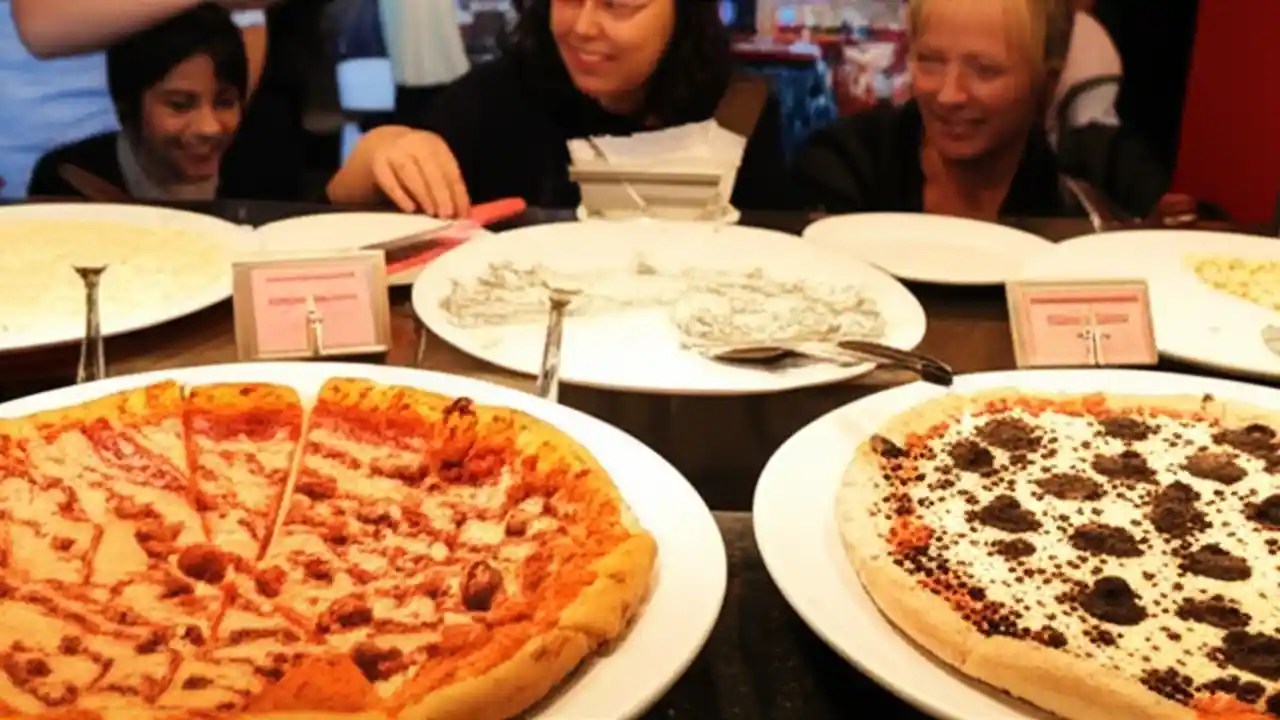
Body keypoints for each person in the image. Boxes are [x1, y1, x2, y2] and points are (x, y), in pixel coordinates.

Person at [327, 0, 792, 217]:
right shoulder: (504, 93)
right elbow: (343, 195)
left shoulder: (737, 110)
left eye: (618, 5)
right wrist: (382, 150)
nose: (584, 27)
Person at [792, 0, 1168, 220]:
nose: (949, 95)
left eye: (985, 70)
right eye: (931, 61)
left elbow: (1121, 161)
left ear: (1046, 83)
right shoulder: (843, 166)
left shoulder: (1078, 189)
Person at [0, 1, 270, 199]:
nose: (208, 127)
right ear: (125, 105)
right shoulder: (65, 175)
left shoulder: (260, 173)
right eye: (179, 105)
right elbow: (39, 26)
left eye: (224, 103)